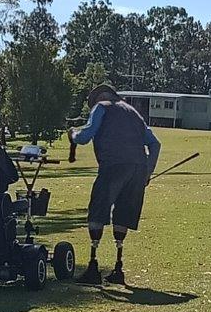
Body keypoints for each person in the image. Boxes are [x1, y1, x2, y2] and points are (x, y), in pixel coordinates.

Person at [69, 84, 161, 285]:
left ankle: (93, 267)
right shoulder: (133, 113)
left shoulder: (101, 107)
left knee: (98, 211)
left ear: (97, 98)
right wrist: (147, 171)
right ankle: (118, 269)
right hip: (137, 169)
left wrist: (73, 134)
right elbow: (155, 143)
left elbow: (85, 136)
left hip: (113, 165)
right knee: (123, 215)